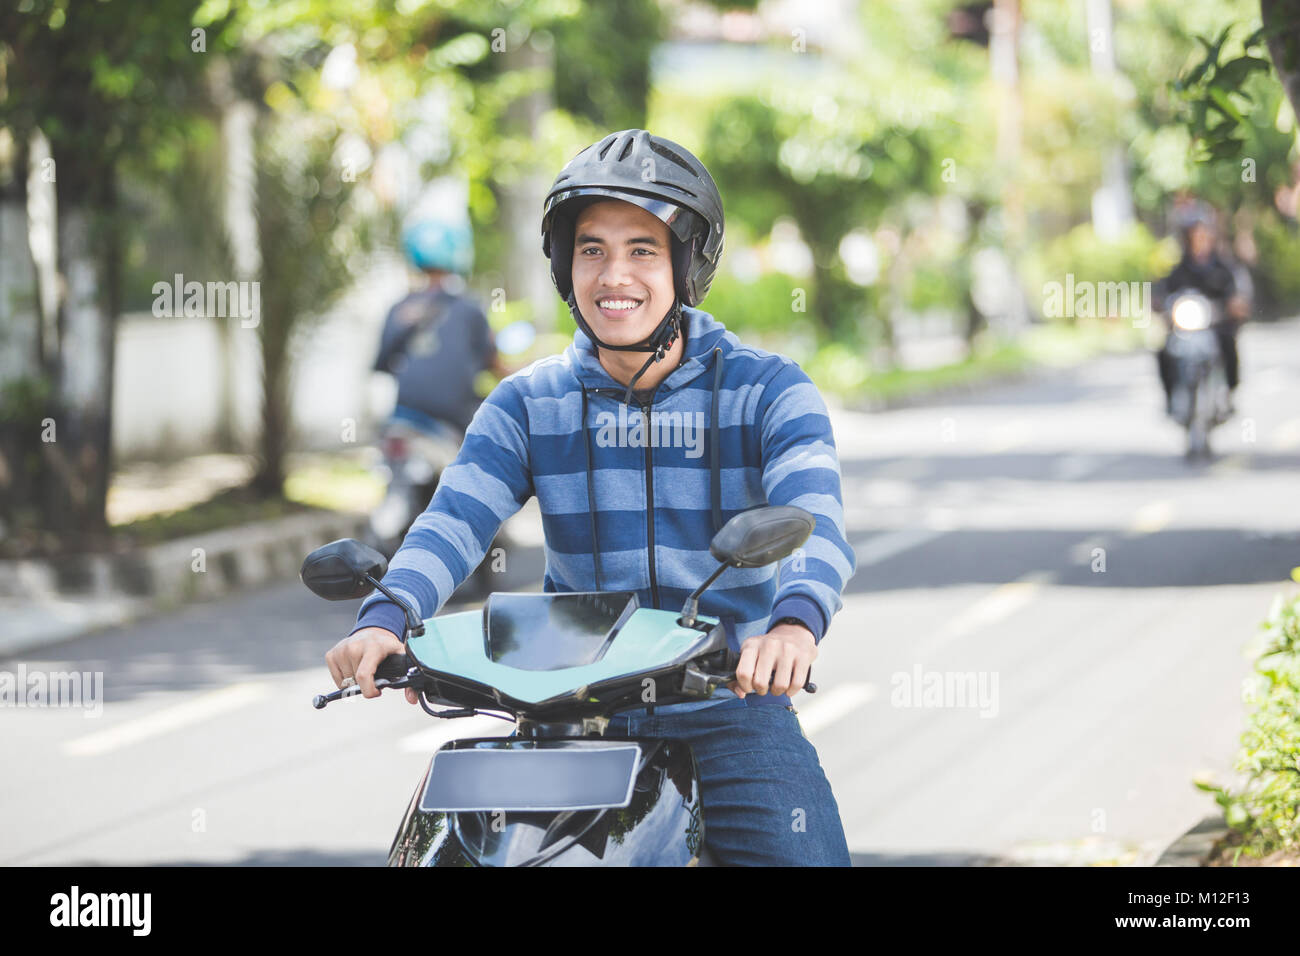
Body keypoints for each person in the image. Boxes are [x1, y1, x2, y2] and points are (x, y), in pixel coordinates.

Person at [327, 130, 858, 866]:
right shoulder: (527, 403)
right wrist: (388, 617)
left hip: (725, 708)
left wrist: (793, 627)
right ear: (564, 265)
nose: (615, 275)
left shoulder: (767, 390)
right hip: (565, 715)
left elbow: (815, 520)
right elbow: (453, 520)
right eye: (591, 249)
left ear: (686, 263)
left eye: (642, 248)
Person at [374, 218, 505, 440]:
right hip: (453, 419)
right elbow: (493, 363)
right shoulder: (469, 308)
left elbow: (382, 363)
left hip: (402, 417)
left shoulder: (399, 308)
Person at [1154, 209, 1249, 414]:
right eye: (1195, 235)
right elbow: (1162, 292)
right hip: (1186, 330)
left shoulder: (1223, 269)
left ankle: (1229, 393)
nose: (1200, 240)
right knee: (1163, 351)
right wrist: (1159, 306)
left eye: (1204, 235)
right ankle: (1171, 398)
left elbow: (1237, 294)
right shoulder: (1178, 271)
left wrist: (1235, 305)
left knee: (1228, 344)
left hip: (1215, 326)